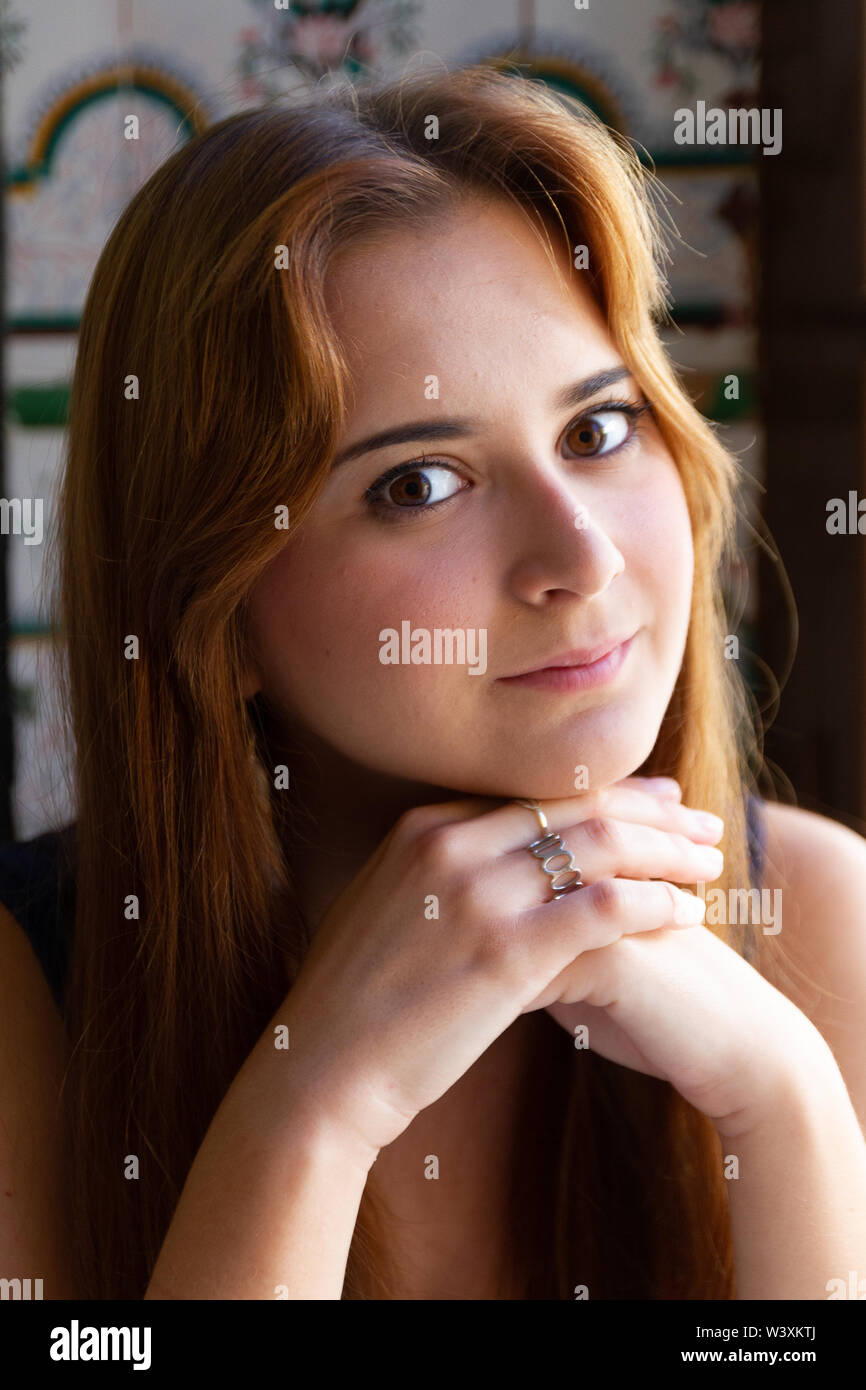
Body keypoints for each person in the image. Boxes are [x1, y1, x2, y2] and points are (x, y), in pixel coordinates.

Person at [1, 65, 865, 1302]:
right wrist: (318, 1098)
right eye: (418, 484)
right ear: (218, 608)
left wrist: (780, 1104)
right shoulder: (26, 998)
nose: (583, 556)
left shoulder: (823, 920)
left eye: (596, 430)